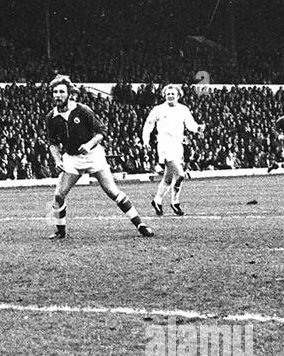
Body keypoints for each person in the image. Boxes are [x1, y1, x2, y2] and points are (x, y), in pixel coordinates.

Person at [46, 75, 153, 239]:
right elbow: (52, 143)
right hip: (72, 159)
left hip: (93, 155)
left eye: (61, 91)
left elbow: (101, 132)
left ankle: (140, 224)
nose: (58, 95)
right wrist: (57, 160)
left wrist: (89, 144)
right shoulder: (51, 117)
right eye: (55, 92)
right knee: (59, 195)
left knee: (112, 191)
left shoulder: (82, 110)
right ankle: (60, 232)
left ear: (69, 93)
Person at [141, 83, 204, 216]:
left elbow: (190, 124)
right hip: (164, 146)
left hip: (177, 146)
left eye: (173, 94)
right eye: (168, 94)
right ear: (164, 95)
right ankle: (175, 202)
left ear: (178, 96)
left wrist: (198, 128)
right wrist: (145, 140)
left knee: (168, 178)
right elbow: (149, 124)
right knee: (180, 174)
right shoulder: (158, 109)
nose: (170, 96)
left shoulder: (183, 109)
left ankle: (157, 200)